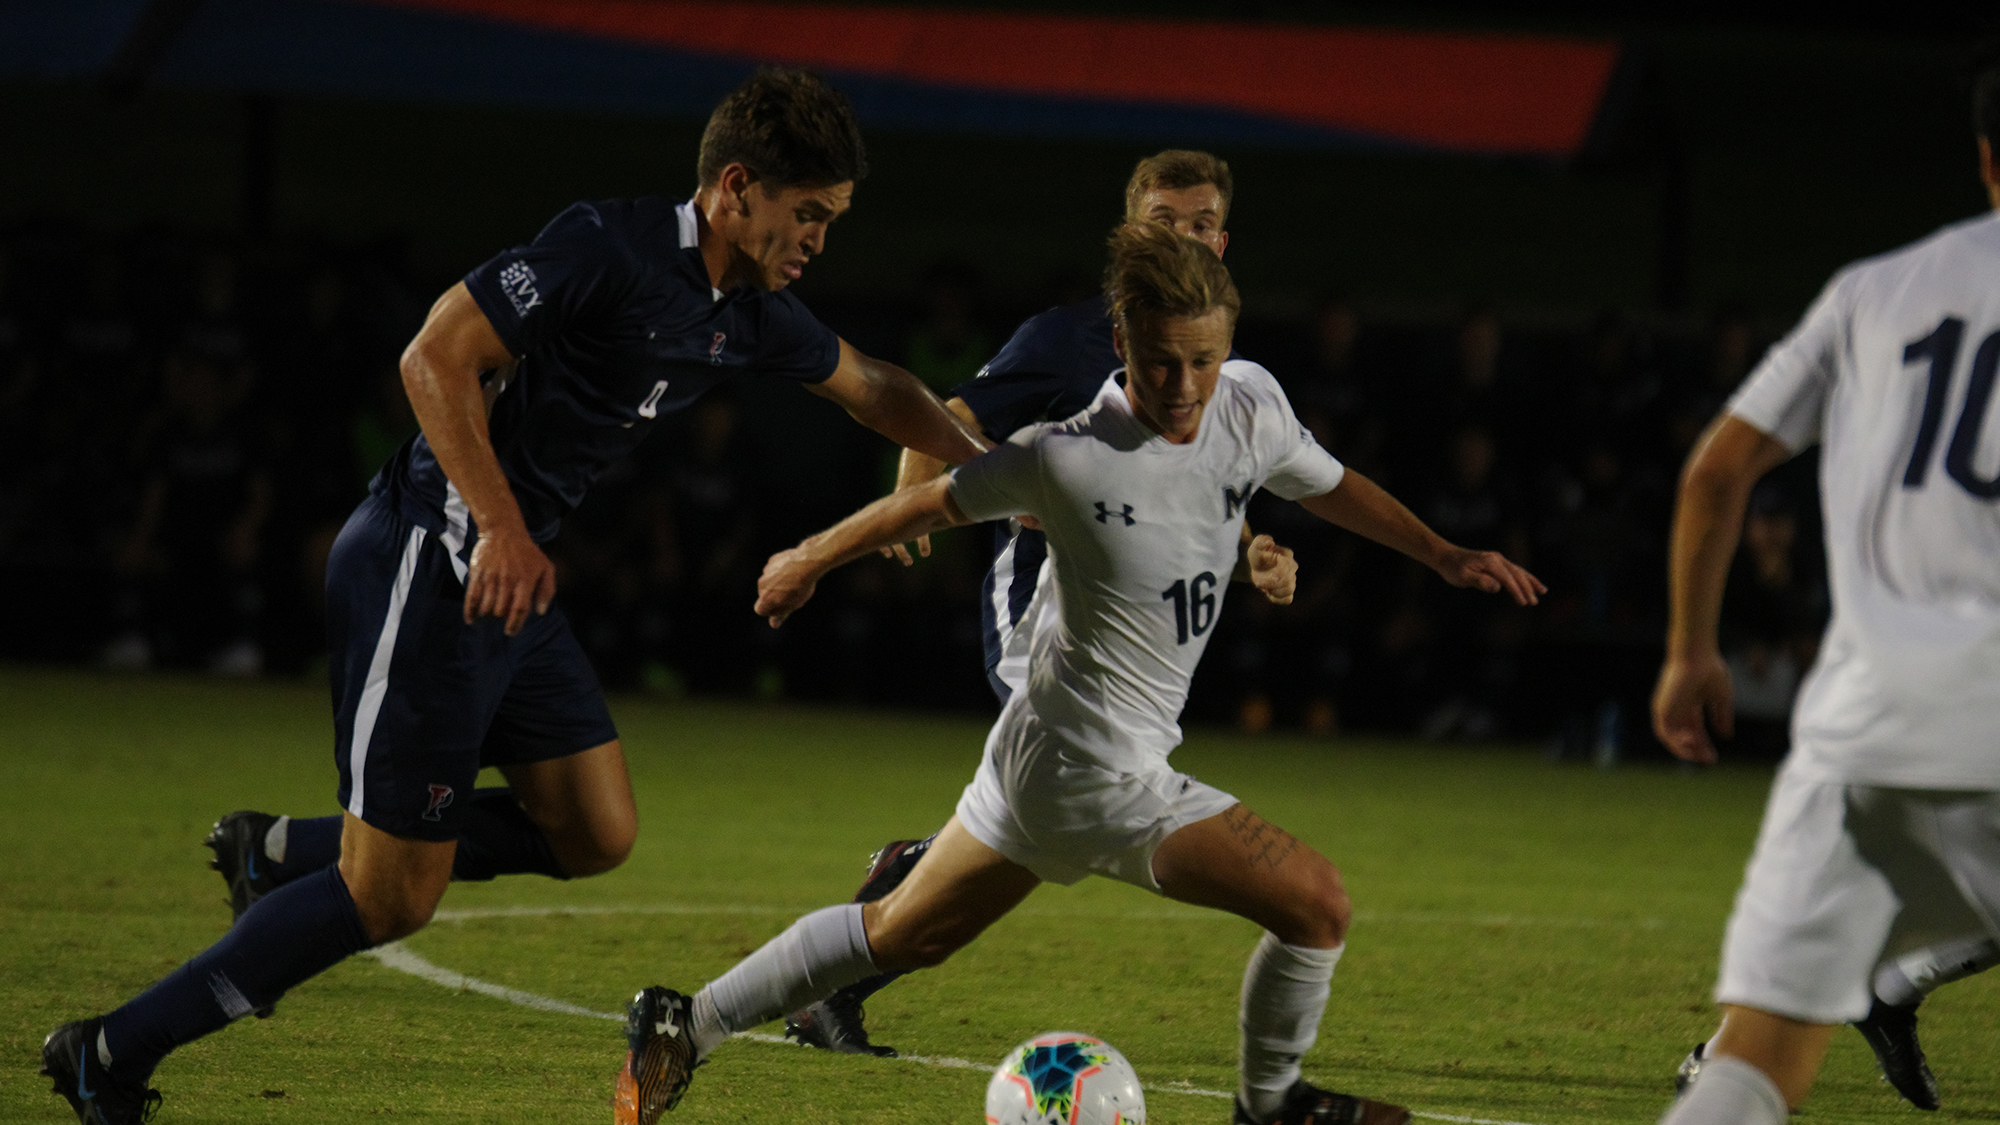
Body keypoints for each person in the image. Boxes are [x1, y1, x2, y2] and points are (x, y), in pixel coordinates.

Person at [37, 67, 989, 1125]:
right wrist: (496, 525)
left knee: (594, 831)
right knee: (389, 898)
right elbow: (433, 357)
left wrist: (998, 477)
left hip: (509, 581)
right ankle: (109, 1052)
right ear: (734, 188)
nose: (817, 239)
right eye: (807, 212)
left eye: (831, 219)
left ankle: (277, 854)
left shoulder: (750, 310)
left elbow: (876, 387)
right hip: (430, 560)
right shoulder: (607, 247)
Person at [615, 224, 1542, 1125]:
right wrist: (809, 557)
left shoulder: (1252, 405)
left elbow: (1330, 481)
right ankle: (1272, 1103)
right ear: (1121, 342)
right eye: (1162, 363)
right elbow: (928, 504)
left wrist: (1442, 553)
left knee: (903, 931)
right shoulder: (1068, 454)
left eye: (1204, 360)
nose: (1185, 386)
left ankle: (684, 1021)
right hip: (1099, 769)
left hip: (1038, 747)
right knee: (1317, 904)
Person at [780, 149, 1297, 1057]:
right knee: (1064, 801)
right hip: (1042, 612)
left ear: (1224, 241)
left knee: (1050, 812)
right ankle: (834, 970)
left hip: (1128, 632)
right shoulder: (1070, 337)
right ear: (1129, 233)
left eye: (1202, 224)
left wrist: (1254, 552)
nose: (1186, 237)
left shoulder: (1213, 355)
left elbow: (1205, 503)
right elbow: (954, 412)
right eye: (1165, 222)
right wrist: (914, 495)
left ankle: (897, 888)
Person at [1651, 49, 2000, 1124]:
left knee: (1750, 1065)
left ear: (1986, 158)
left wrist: (1689, 650)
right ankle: (1890, 983)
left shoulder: (1873, 290)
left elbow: (1716, 472)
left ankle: (1881, 987)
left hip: (1859, 724)